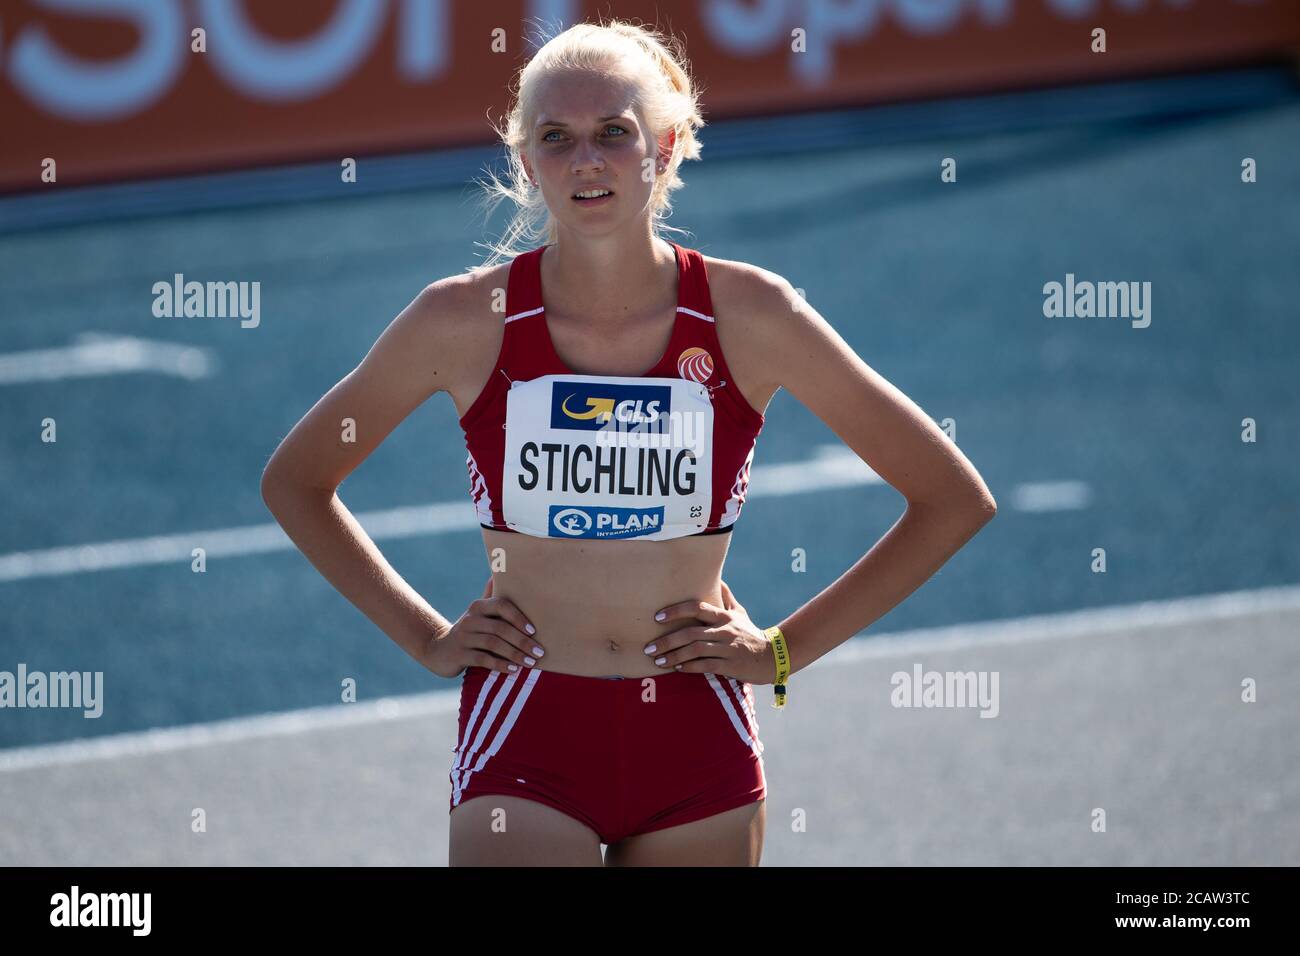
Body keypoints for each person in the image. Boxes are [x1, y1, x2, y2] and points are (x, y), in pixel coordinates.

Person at [260, 17, 996, 868]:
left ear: (668, 145)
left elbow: (951, 499)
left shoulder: (751, 315)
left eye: (615, 132)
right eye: (556, 138)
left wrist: (784, 650)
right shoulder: (461, 320)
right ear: (525, 161)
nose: (587, 161)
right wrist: (424, 636)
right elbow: (298, 481)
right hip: (526, 729)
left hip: (697, 739)